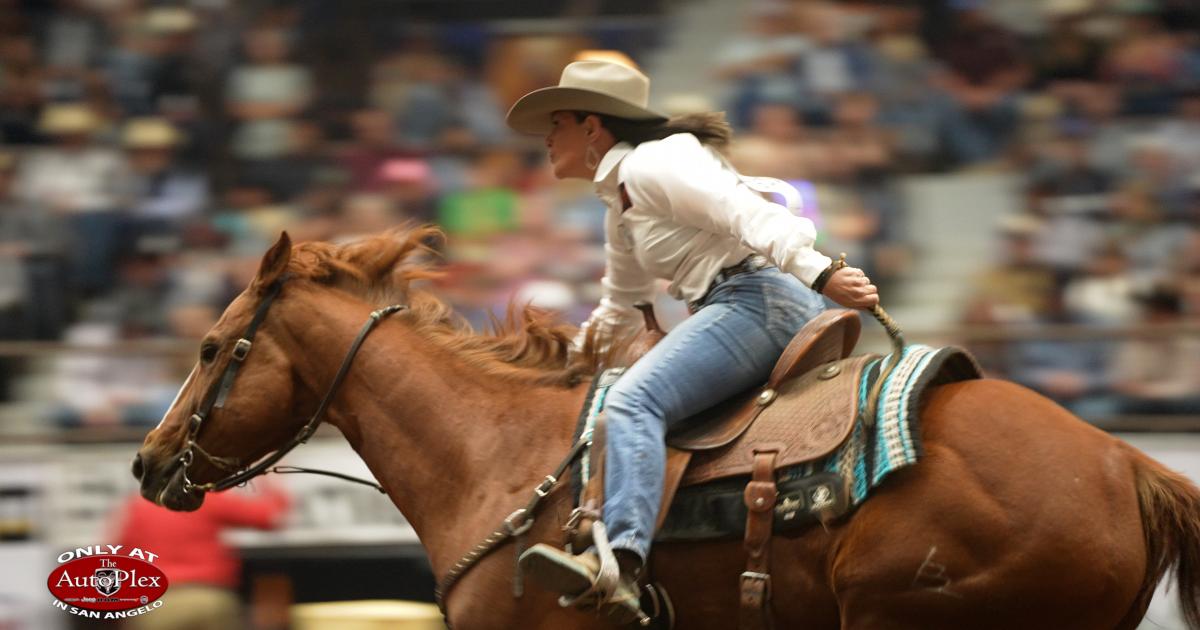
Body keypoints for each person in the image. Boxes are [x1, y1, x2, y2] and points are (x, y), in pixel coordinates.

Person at [507, 60, 878, 624]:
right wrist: (558, 364)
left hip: (758, 302)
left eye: (556, 122)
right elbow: (620, 303)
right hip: (746, 302)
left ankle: (619, 564)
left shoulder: (655, 162)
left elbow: (744, 213)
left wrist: (820, 271)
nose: (546, 137)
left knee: (634, 402)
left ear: (591, 127)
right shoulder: (621, 202)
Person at [110, 483, 290, 630]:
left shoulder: (138, 506)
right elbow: (269, 517)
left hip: (156, 604)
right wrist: (272, 484)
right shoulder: (204, 499)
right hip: (209, 598)